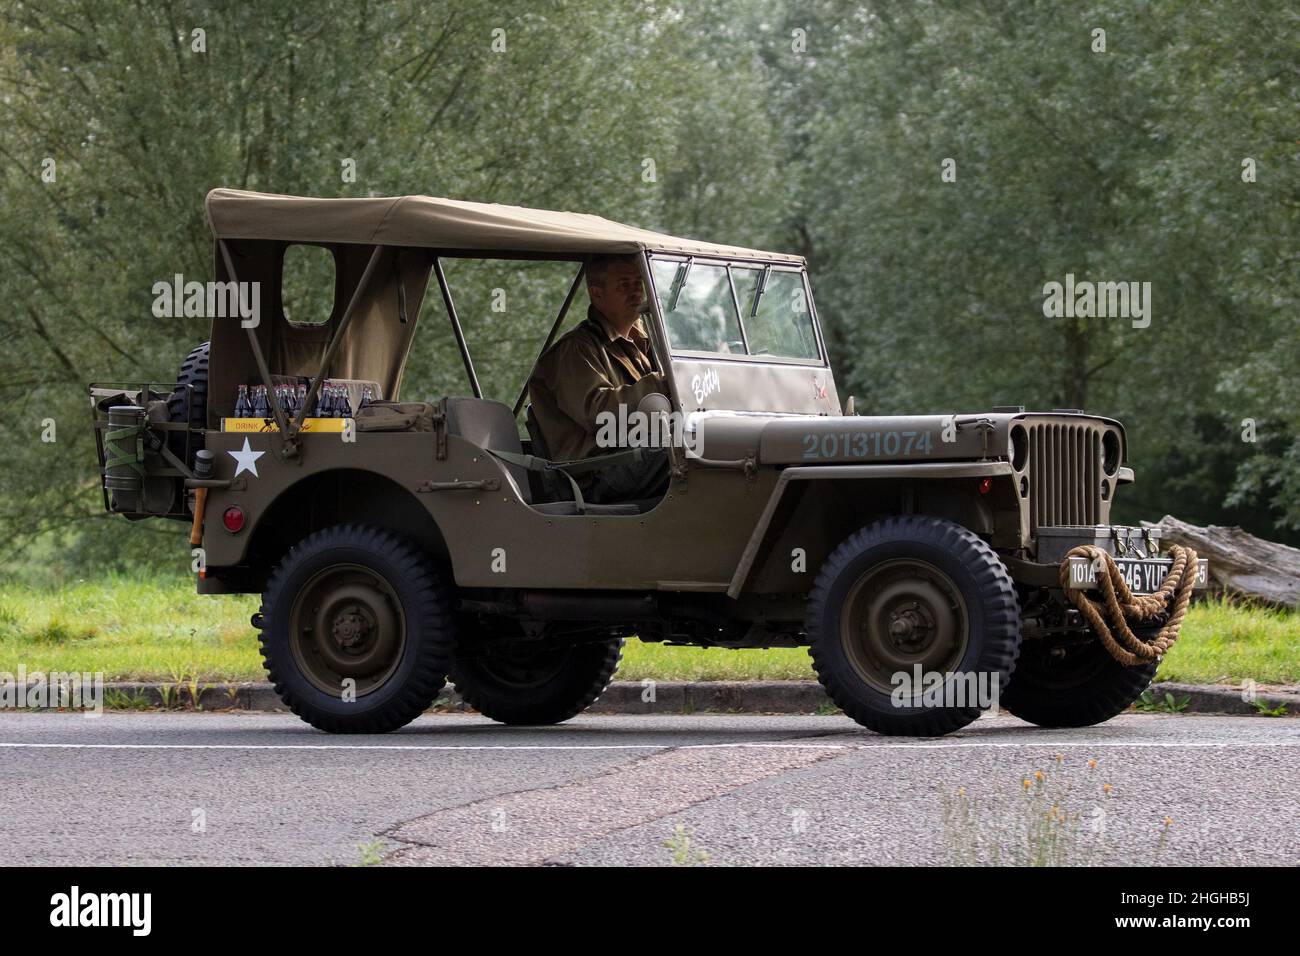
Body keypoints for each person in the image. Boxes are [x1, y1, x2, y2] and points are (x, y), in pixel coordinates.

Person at [528, 254, 671, 504]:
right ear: (597, 294)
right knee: (696, 448)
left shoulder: (644, 342)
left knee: (707, 439)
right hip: (597, 473)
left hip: (633, 453)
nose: (636, 292)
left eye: (639, 283)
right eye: (624, 285)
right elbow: (600, 415)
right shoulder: (576, 350)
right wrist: (662, 383)